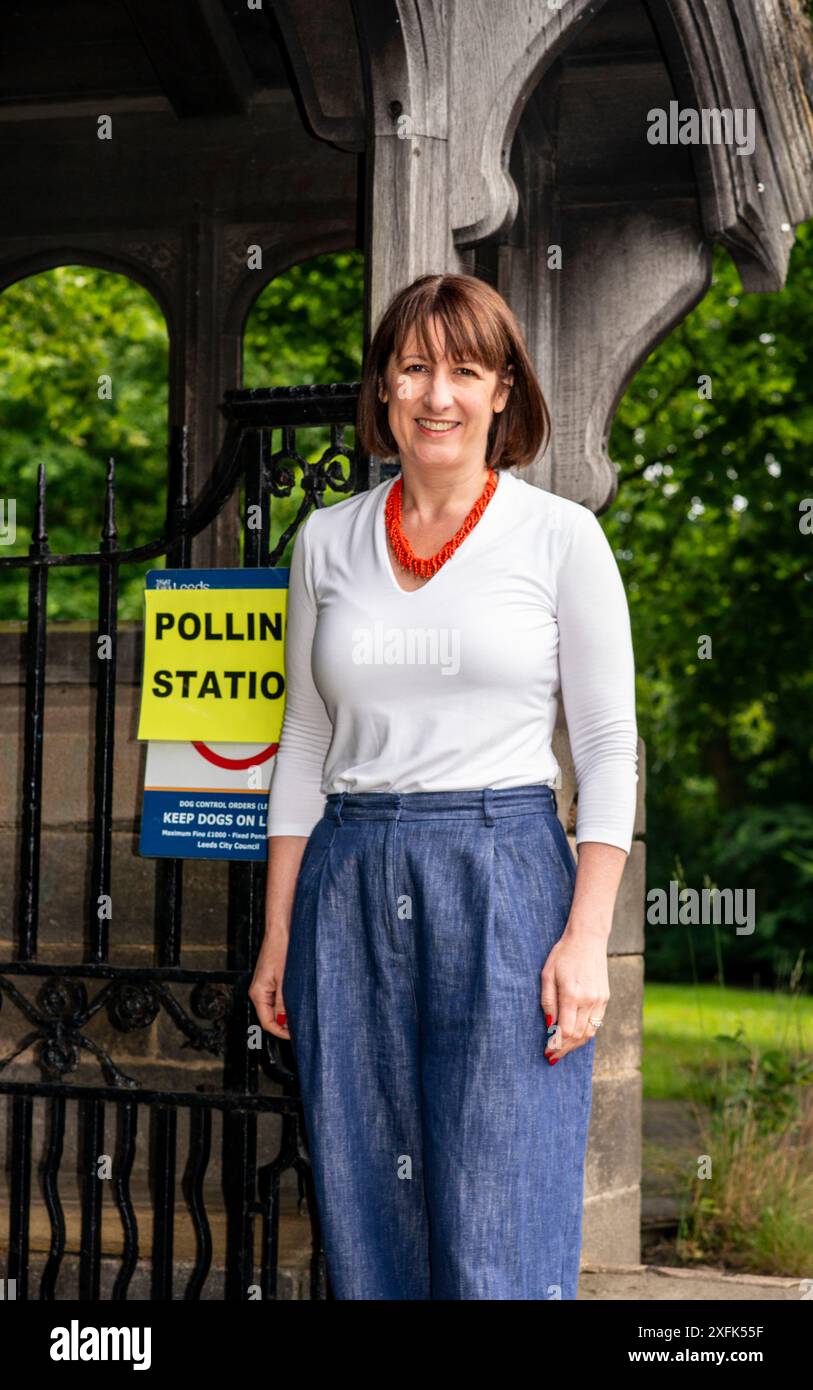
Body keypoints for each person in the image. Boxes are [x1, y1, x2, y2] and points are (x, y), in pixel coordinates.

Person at [249, 272, 638, 1300]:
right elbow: (303, 737)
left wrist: (587, 938)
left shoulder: (560, 539)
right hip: (350, 870)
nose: (438, 395)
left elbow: (605, 748)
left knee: (499, 1200)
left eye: (466, 369)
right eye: (415, 366)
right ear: (383, 387)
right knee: (365, 1198)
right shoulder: (327, 539)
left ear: (504, 389)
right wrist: (281, 930)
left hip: (503, 867)